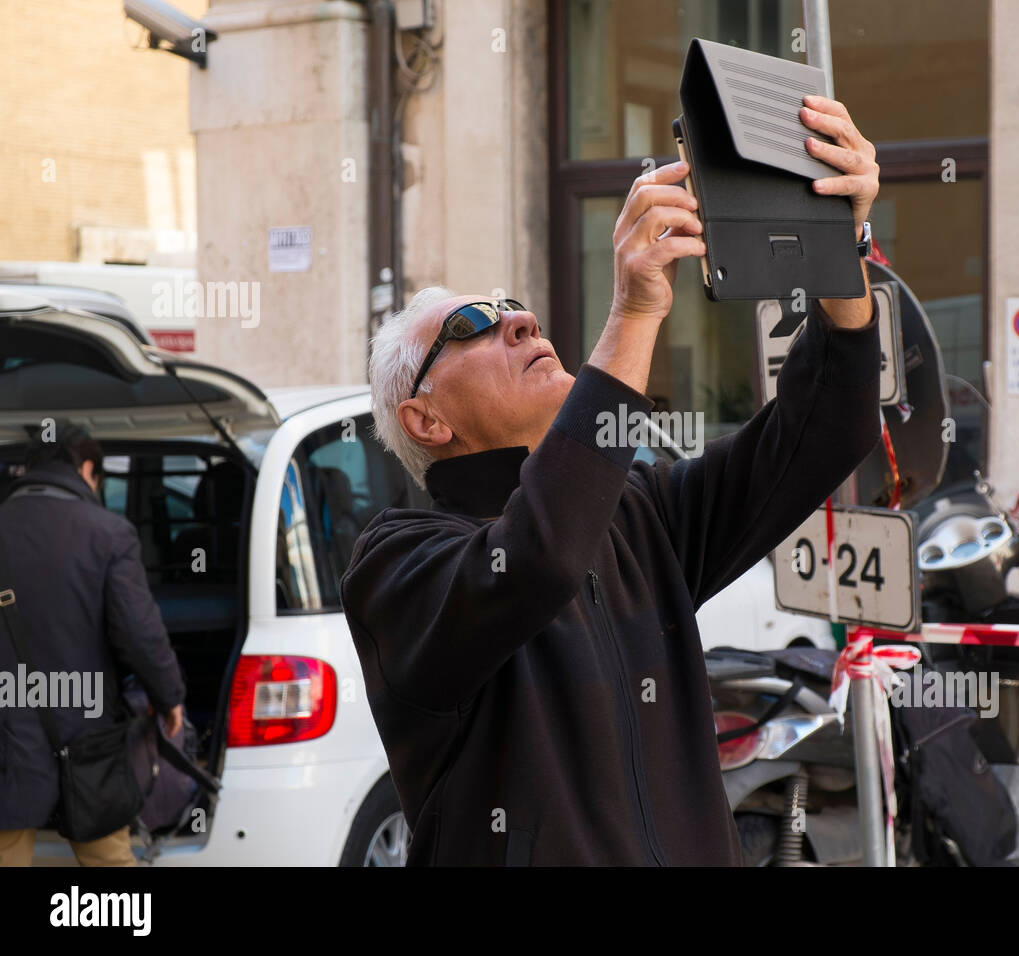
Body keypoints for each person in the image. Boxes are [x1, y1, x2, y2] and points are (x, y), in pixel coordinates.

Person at [343, 95, 882, 865]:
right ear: (425, 419)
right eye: (473, 328)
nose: (520, 323)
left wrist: (839, 243)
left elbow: (825, 432)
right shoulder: (398, 563)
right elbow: (539, 557)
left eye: (517, 308)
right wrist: (633, 313)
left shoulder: (638, 515)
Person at [0, 423, 186, 866]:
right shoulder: (108, 533)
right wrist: (168, 697)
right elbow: (139, 633)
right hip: (88, 743)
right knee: (110, 867)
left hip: (6, 737)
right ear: (87, 470)